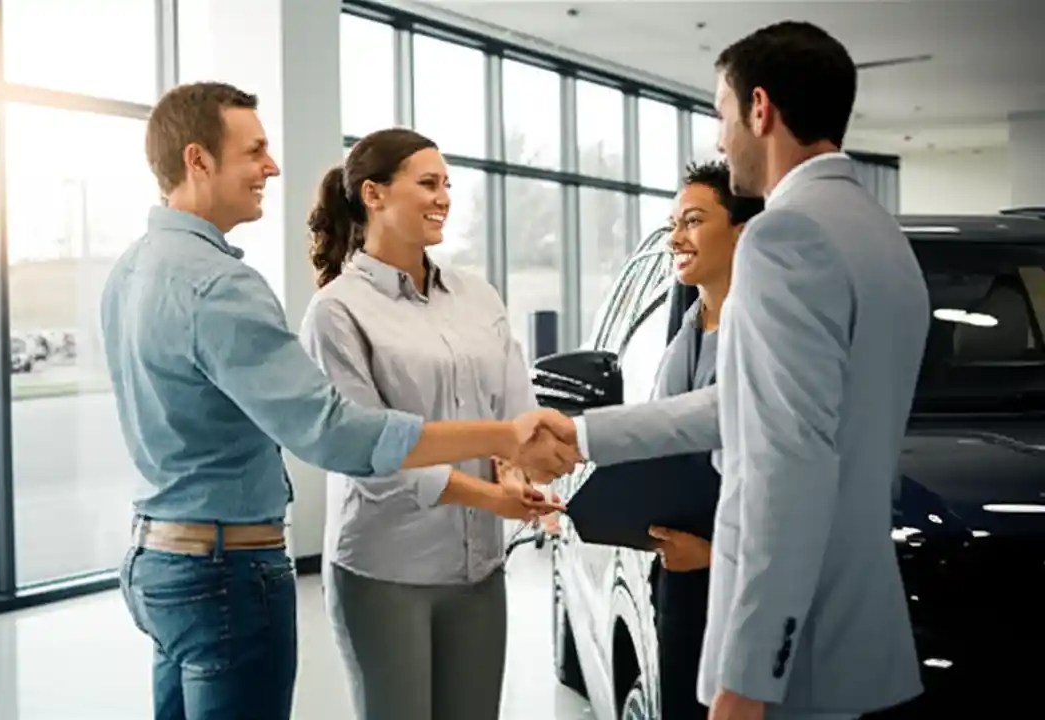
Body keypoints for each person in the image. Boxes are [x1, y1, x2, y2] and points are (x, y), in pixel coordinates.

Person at [99, 82, 578, 720]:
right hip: (230, 570)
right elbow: (338, 436)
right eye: (255, 151)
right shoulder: (230, 286)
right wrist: (497, 441)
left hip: (163, 558)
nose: (272, 166)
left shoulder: (130, 271)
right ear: (197, 159)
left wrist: (514, 464)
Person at [564, 21, 929, 720]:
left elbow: (784, 465)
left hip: (794, 656)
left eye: (720, 115)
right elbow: (752, 403)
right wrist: (582, 435)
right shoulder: (878, 231)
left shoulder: (783, 236)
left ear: (760, 109)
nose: (720, 138)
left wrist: (748, 675)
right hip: (850, 630)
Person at [297, 128, 547, 720]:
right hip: (386, 570)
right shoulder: (338, 310)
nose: (443, 198)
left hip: (479, 568)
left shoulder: (477, 295)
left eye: (447, 185)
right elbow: (372, 456)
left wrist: (511, 479)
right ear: (374, 194)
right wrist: (490, 498)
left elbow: (512, 411)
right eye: (428, 183)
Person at [643, 159, 763, 720]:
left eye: (692, 221)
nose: (676, 237)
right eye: (674, 223)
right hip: (680, 573)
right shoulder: (685, 333)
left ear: (741, 230)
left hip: (740, 581)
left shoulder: (767, 337)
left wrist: (713, 558)